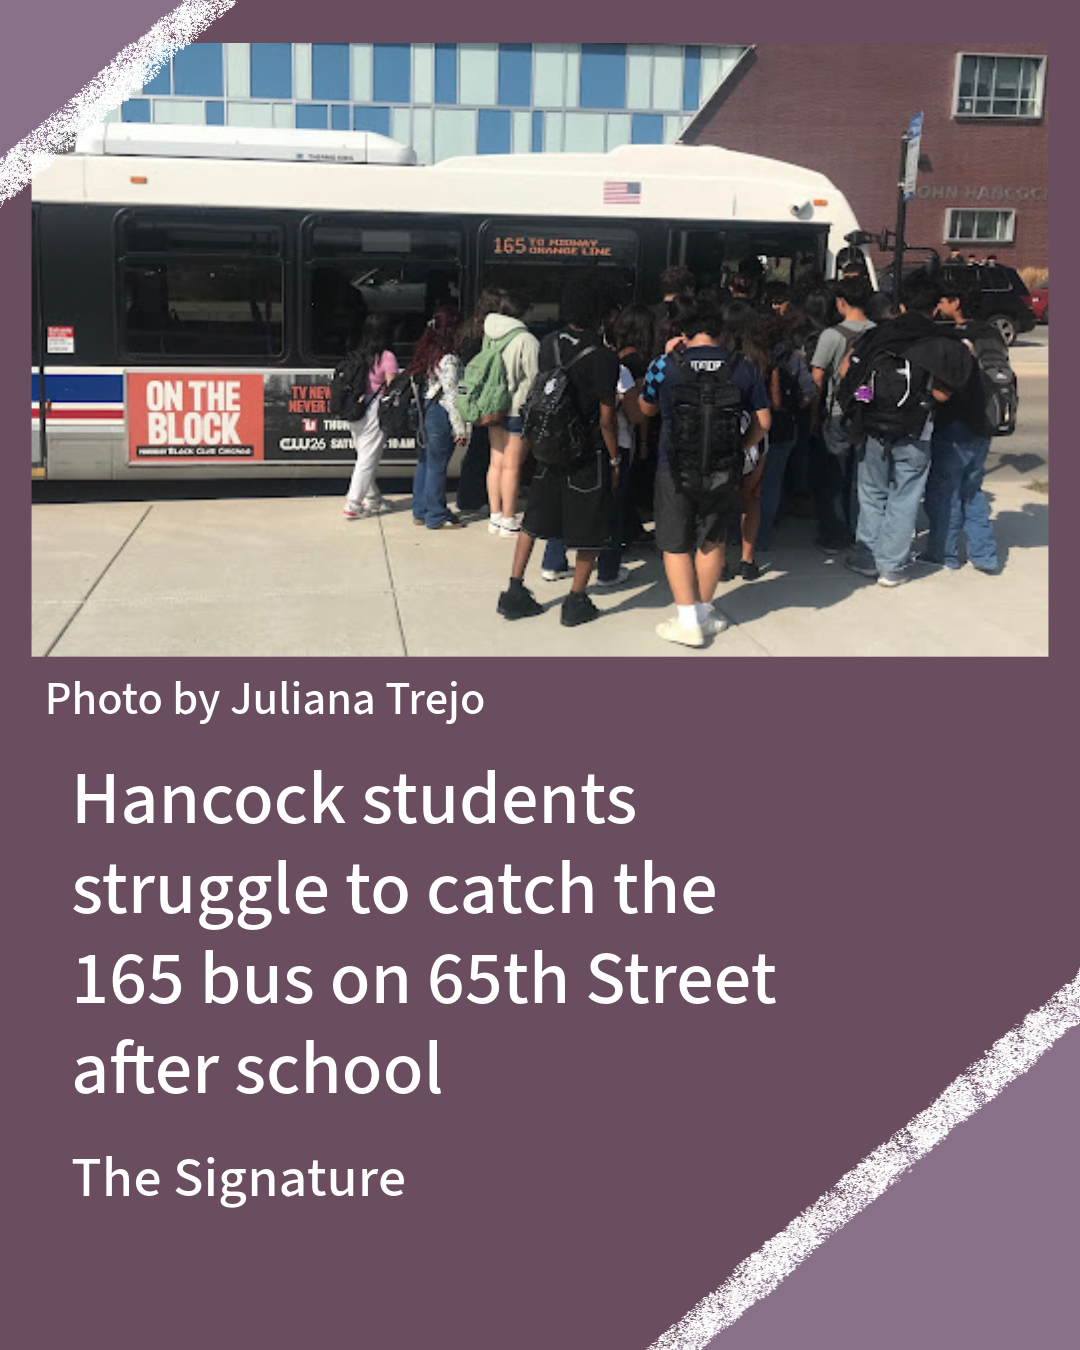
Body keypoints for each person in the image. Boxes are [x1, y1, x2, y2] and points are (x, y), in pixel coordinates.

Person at [640, 293, 771, 649]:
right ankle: (704, 613)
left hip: (674, 465)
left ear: (683, 331)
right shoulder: (743, 366)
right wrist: (743, 445)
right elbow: (764, 421)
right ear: (721, 332)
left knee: (675, 542)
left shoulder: (664, 365)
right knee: (712, 538)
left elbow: (645, 408)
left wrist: (666, 356)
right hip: (723, 467)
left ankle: (686, 621)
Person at [497, 273, 622, 628]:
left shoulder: (547, 342)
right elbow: (607, 418)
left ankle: (514, 590)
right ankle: (576, 600)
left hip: (548, 445)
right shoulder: (603, 357)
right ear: (600, 311)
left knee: (534, 520)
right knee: (591, 528)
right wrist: (614, 458)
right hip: (586, 453)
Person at [843, 272, 973, 587]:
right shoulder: (943, 342)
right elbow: (944, 393)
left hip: (873, 426)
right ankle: (892, 567)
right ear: (936, 307)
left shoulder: (877, 336)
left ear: (900, 304)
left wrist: (865, 402)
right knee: (904, 497)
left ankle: (865, 558)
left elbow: (849, 372)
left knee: (872, 493)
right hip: (917, 432)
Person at [924, 271, 1003, 574]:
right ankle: (985, 556)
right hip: (984, 421)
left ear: (955, 302)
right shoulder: (993, 333)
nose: (939, 306)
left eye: (943, 301)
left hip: (955, 422)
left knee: (946, 492)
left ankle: (944, 553)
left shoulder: (957, 337)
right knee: (973, 489)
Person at [809, 278, 877, 554]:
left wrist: (815, 415)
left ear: (841, 303)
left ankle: (835, 536)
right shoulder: (879, 332)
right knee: (863, 478)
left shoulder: (831, 335)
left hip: (837, 412)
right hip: (867, 411)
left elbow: (817, 378)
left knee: (834, 477)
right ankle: (862, 533)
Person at [719, 302, 774, 582]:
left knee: (718, 500)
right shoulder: (761, 357)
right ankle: (747, 559)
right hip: (756, 433)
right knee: (751, 497)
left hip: (720, 434)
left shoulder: (720, 359)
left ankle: (721, 561)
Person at [757, 309, 817, 553]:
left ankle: (738, 532)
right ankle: (764, 533)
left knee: (747, 484)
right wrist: (795, 409)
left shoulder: (749, 356)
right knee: (773, 483)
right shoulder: (793, 357)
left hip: (753, 427)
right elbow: (809, 392)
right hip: (783, 427)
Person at [408, 307, 470, 531]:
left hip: (428, 409)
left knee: (425, 462)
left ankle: (420, 510)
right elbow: (452, 395)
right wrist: (460, 429)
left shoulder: (429, 355)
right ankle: (436, 515)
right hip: (442, 413)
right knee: (437, 466)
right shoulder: (450, 359)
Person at [484, 291, 540, 539]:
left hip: (494, 406)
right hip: (518, 409)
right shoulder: (525, 339)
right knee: (512, 466)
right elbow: (536, 376)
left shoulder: (489, 334)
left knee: (496, 461)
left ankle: (495, 516)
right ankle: (509, 518)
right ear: (523, 312)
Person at [343, 314, 398, 521]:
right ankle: (353, 504)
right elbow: (393, 388)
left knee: (364, 456)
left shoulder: (358, 354)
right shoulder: (386, 357)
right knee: (367, 459)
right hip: (374, 409)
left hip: (354, 408)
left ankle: (373, 497)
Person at [454, 290, 503, 517]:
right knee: (484, 450)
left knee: (478, 449)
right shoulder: (489, 334)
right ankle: (476, 497)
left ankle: (468, 496)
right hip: (485, 395)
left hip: (470, 392)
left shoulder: (468, 329)